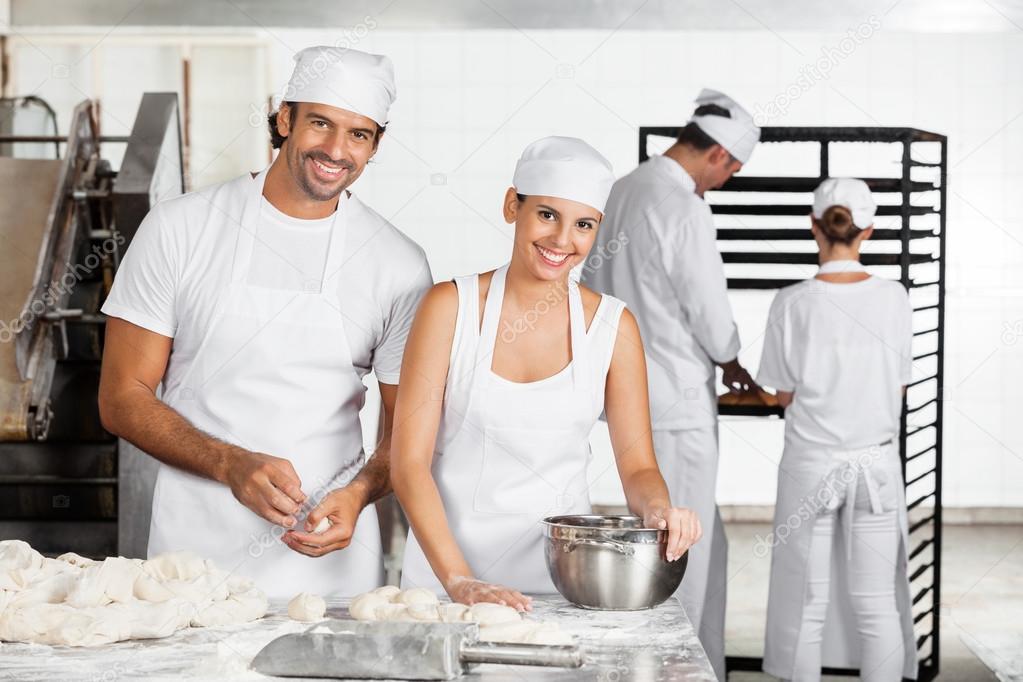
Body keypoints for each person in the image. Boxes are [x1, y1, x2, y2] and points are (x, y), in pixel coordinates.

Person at [97, 46, 433, 598]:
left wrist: (359, 493)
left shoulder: (397, 262)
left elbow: (407, 432)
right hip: (191, 560)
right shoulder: (180, 228)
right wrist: (228, 462)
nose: (335, 149)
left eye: (358, 134)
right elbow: (120, 397)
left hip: (328, 564)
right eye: (320, 123)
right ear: (284, 119)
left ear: (375, 146)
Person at [391, 136, 702, 610]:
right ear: (512, 205)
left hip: (564, 585)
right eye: (547, 215)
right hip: (442, 584)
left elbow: (638, 466)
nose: (562, 241)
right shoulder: (448, 307)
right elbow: (409, 464)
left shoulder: (612, 328)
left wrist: (658, 510)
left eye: (583, 225)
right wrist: (460, 581)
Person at [580, 87, 760, 678]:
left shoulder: (622, 191)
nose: (725, 182)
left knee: (693, 536)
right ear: (720, 157)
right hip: (678, 401)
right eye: (732, 171)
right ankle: (676, 668)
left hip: (626, 393)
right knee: (683, 546)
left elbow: (592, 286)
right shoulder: (684, 206)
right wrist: (731, 359)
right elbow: (706, 307)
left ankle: (702, 663)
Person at [756, 178, 917, 681]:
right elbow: (898, 387)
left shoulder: (792, 302)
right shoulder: (895, 299)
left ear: (814, 228)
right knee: (875, 607)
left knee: (805, 604)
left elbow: (779, 393)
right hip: (876, 466)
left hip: (811, 466)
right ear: (867, 230)